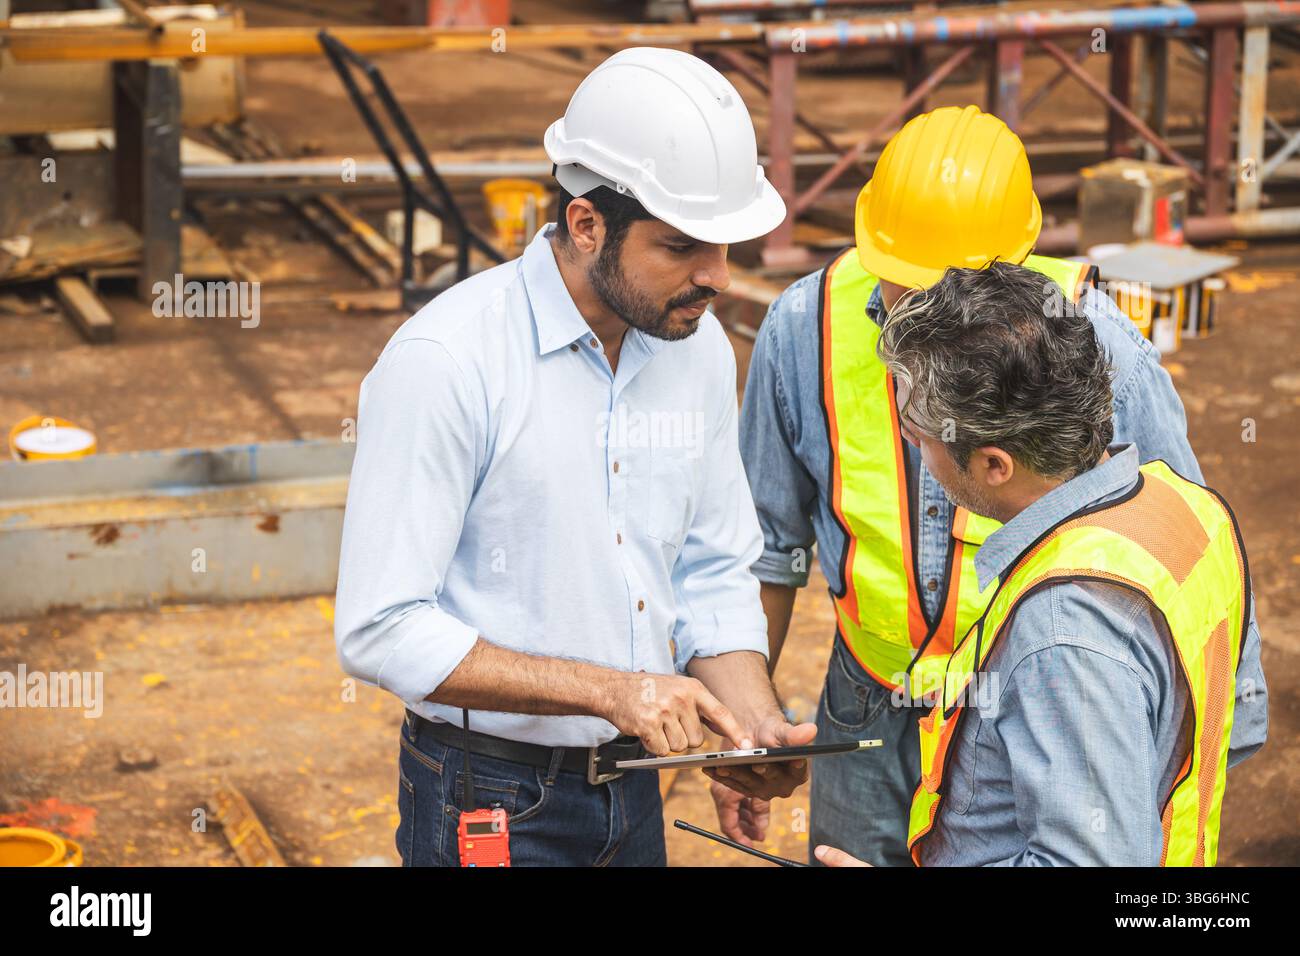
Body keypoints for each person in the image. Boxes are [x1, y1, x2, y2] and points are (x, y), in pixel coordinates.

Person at [727, 104, 1266, 865]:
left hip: (1040, 703)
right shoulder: (801, 329)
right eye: (904, 287)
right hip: (869, 704)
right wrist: (748, 721)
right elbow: (765, 549)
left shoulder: (1094, 340)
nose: (923, 316)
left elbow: (1169, 541)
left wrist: (1206, 731)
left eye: (950, 292)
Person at [333, 46, 815, 867]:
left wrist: (745, 729)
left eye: (729, 247)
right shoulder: (449, 361)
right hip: (484, 793)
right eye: (682, 247)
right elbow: (382, 629)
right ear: (587, 223)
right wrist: (613, 691)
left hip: (630, 788)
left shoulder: (691, 348)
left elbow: (709, 567)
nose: (719, 278)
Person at [813, 262, 1267, 866]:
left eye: (917, 432)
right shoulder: (1183, 508)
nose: (912, 446)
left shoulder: (1063, 631)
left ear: (994, 465)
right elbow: (1243, 722)